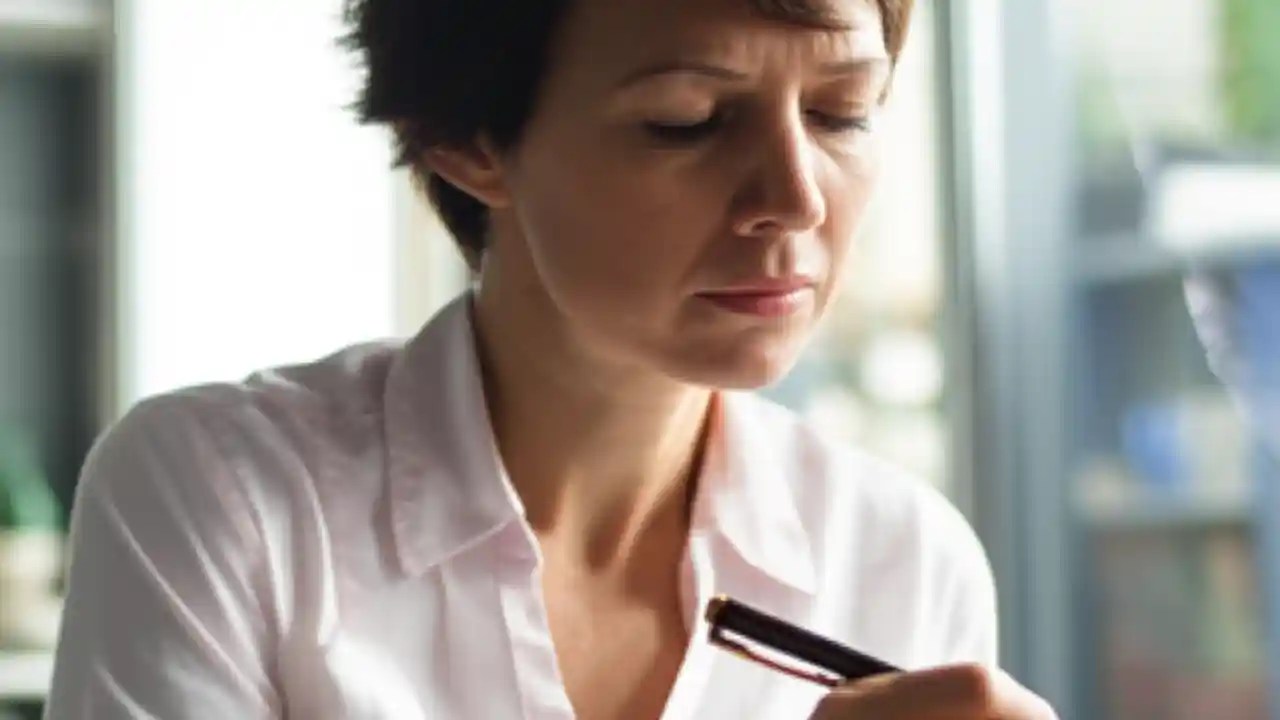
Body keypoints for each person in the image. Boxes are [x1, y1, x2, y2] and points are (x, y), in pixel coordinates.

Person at [45, 0, 1056, 717]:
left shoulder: (899, 558)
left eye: (840, 110)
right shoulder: (227, 501)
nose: (793, 197)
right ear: (465, 138)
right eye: (687, 122)